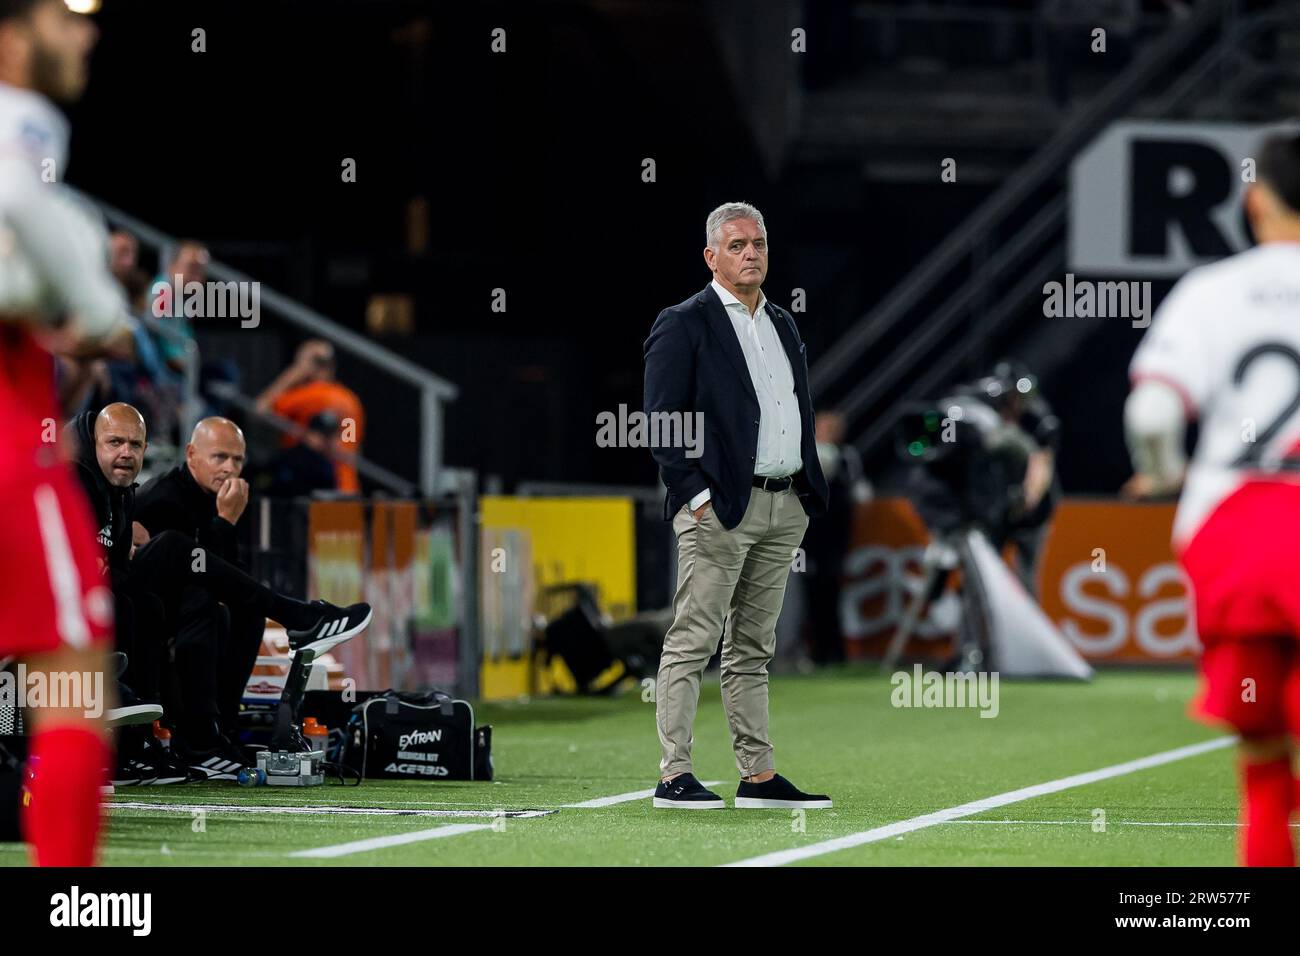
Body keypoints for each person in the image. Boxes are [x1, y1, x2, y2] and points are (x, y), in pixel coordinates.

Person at [1125, 131, 1300, 866]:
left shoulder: (1210, 291)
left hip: (1232, 530)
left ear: (1255, 198)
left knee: (1262, 761)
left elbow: (1153, 418)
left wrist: (1162, 474)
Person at [0, 0, 134, 865]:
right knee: (74, 689)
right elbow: (18, 196)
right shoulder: (20, 121)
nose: (87, 33)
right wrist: (90, 299)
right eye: (67, 14)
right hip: (14, 446)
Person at [643, 201, 831, 810]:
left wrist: (803, 488)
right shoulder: (685, 322)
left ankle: (758, 776)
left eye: (759, 243)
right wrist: (693, 494)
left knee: (753, 646)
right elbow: (661, 421)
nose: (751, 253)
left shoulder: (781, 320)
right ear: (711, 256)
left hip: (782, 504)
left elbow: (791, 406)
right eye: (737, 244)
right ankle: (674, 774)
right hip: (720, 505)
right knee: (693, 639)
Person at [134, 416, 371, 778]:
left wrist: (224, 523)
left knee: (247, 612)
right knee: (209, 606)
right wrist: (223, 524)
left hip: (181, 615)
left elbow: (231, 577)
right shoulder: (162, 498)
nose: (230, 469)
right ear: (191, 454)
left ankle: (222, 731)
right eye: (220, 458)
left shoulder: (221, 498)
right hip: (149, 619)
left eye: (238, 460)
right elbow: (190, 576)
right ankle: (199, 740)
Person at [256, 338, 365, 493]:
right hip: (347, 486)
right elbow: (351, 444)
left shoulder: (308, 396)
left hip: (311, 489)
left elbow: (261, 408)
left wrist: (294, 372)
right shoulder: (349, 399)